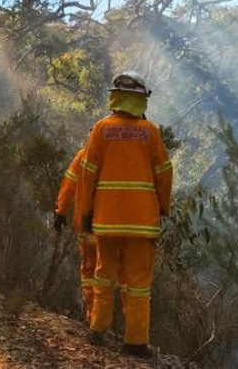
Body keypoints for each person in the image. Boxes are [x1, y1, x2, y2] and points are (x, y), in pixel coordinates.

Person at [77, 71, 174, 359]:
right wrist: (163, 207)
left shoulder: (101, 129)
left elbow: (87, 174)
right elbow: (164, 173)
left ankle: (98, 329)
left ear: (115, 98)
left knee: (104, 274)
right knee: (138, 284)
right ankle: (135, 342)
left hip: (107, 220)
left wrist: (84, 212)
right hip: (142, 223)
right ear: (141, 100)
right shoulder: (150, 132)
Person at [53, 146, 97, 322]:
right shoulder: (116, 154)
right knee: (110, 271)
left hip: (86, 224)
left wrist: (61, 212)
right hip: (111, 225)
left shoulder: (83, 155)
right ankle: (102, 318)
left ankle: (93, 317)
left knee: (89, 269)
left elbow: (69, 185)